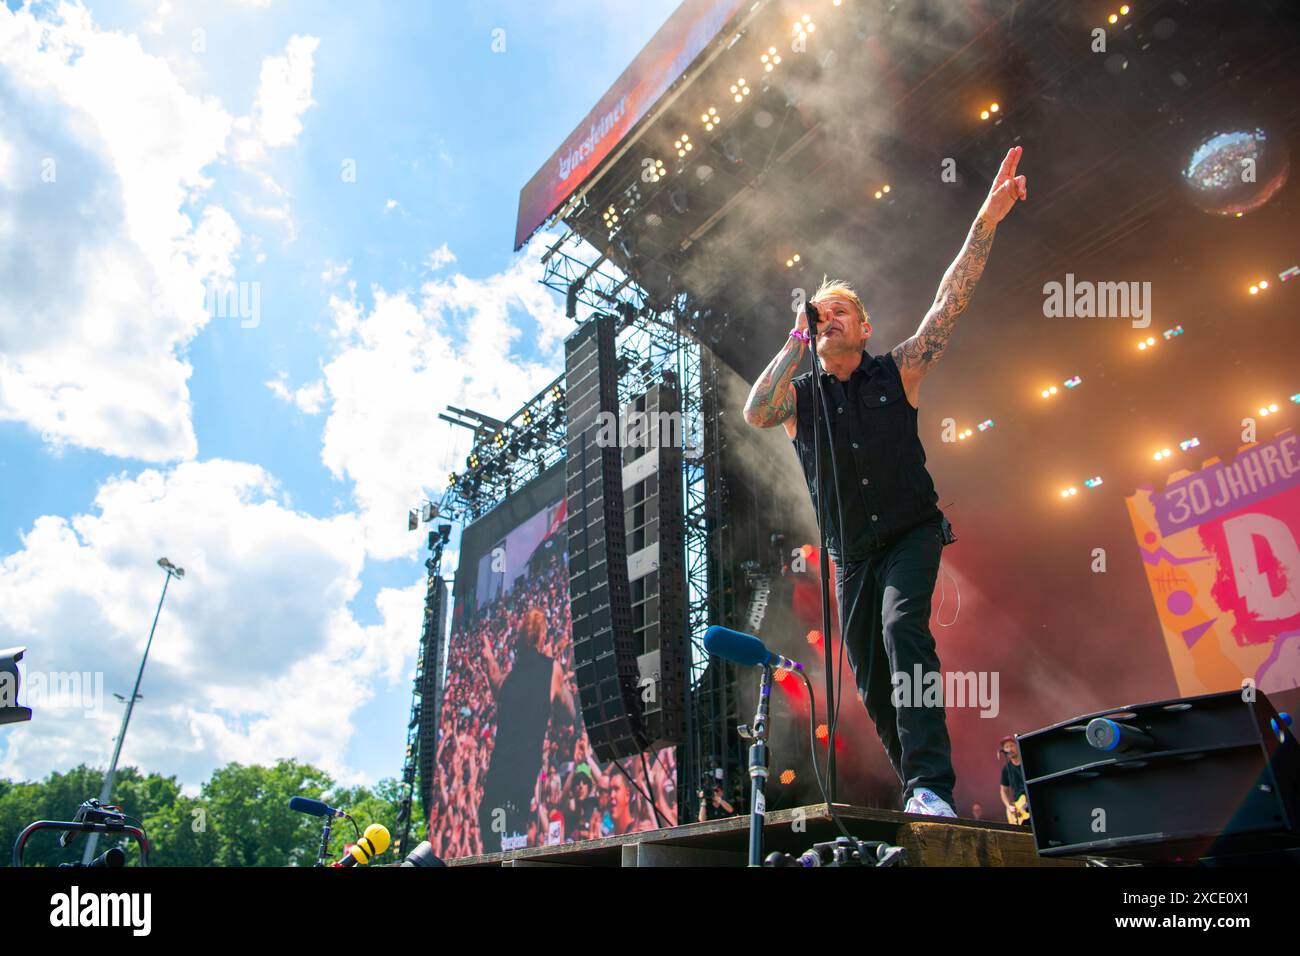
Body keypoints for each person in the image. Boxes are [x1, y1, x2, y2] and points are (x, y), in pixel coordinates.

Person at [742, 147, 1028, 818]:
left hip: (910, 533)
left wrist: (985, 220)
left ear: (864, 327)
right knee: (870, 679)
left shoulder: (896, 372)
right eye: (819, 312)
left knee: (905, 631)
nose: (827, 318)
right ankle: (920, 792)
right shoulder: (798, 400)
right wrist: (793, 340)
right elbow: (755, 412)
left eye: (839, 311)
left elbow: (947, 303)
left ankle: (932, 782)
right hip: (853, 555)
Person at [477, 607, 576, 850]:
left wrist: (490, 658)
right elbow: (569, 714)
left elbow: (498, 686)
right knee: (515, 838)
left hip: (498, 777)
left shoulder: (513, 676)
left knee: (493, 839)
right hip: (523, 778)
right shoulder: (551, 670)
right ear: (543, 636)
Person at [998, 735, 1030, 825]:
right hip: (1018, 808)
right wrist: (1009, 806)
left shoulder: (1027, 762)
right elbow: (1003, 791)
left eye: (1011, 745)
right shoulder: (1006, 769)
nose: (1009, 749)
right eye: (1006, 747)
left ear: (1017, 746)